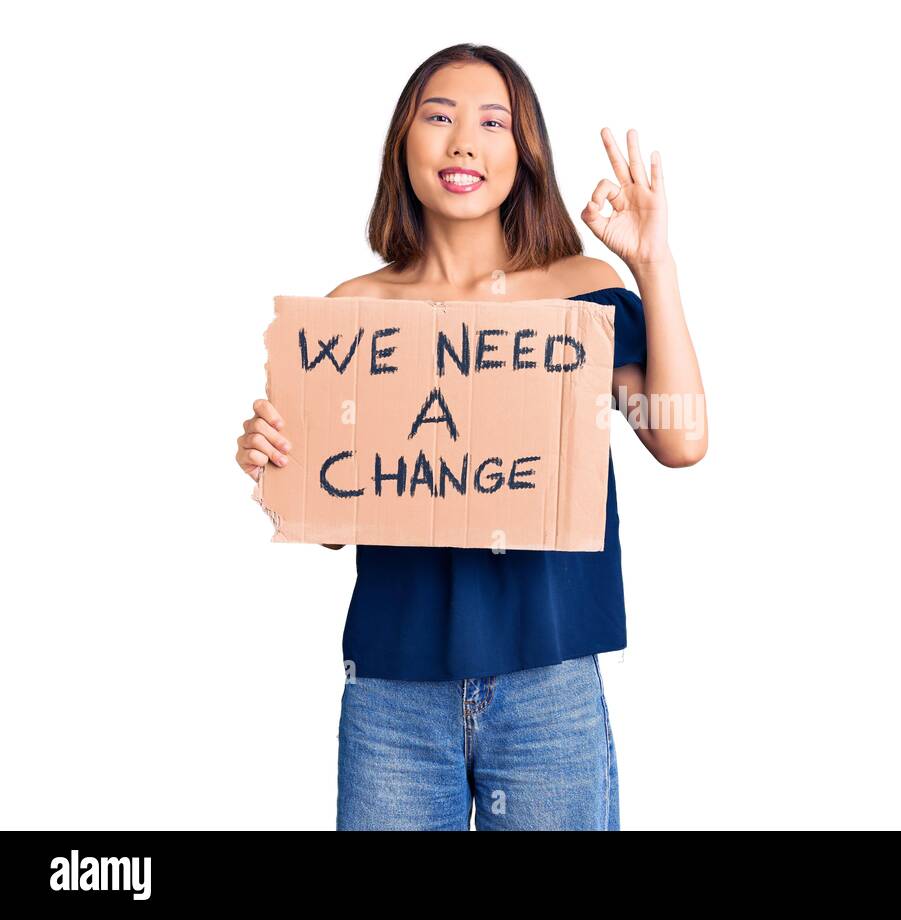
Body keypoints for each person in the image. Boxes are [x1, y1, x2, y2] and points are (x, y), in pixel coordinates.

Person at [233, 44, 707, 830]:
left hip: (547, 682)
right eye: (439, 117)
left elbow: (681, 438)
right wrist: (275, 463)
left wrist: (653, 266)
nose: (464, 142)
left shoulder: (580, 292)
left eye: (494, 122)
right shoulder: (354, 308)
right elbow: (337, 519)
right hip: (393, 689)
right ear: (404, 144)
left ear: (523, 155)